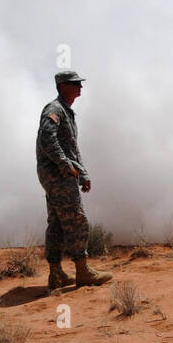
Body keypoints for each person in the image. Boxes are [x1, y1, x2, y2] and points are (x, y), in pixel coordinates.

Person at [36, 70, 111, 289]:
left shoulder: (66, 112)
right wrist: (65, 165)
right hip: (57, 175)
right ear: (62, 86)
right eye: (75, 83)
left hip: (58, 174)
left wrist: (83, 173)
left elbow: (71, 148)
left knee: (58, 223)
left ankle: (56, 274)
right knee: (77, 219)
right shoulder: (54, 109)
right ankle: (83, 272)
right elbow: (46, 139)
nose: (80, 87)